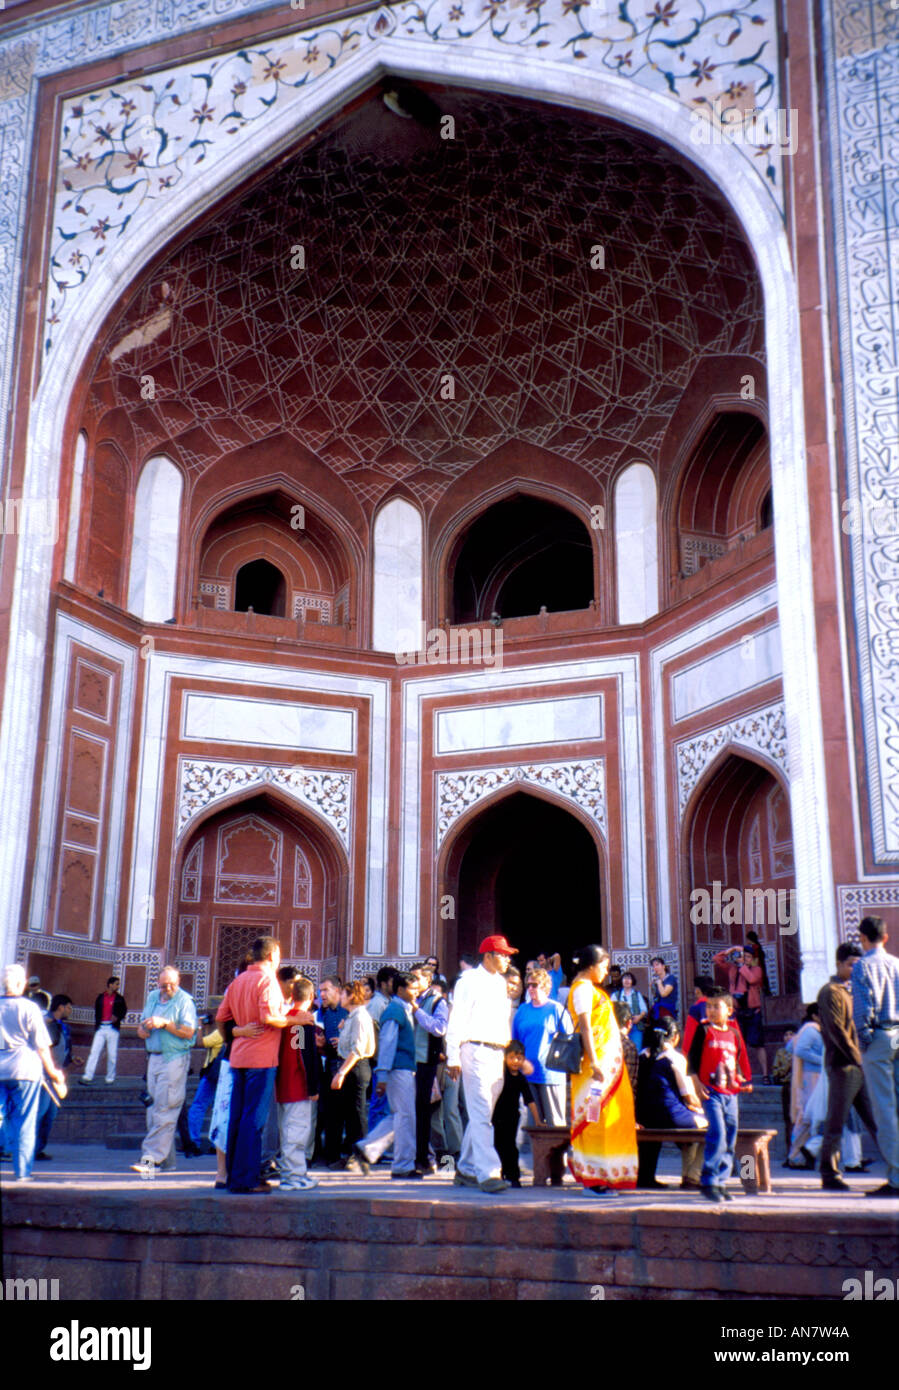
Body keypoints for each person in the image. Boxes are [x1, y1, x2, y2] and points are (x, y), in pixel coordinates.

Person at [216, 936, 290, 1195]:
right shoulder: (267, 980)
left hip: (239, 1057)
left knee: (237, 1116)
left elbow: (221, 1017)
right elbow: (269, 1017)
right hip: (263, 1059)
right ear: (271, 956)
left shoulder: (238, 981)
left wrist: (236, 1033)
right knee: (254, 1119)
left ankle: (235, 1176)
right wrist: (293, 1020)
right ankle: (248, 1178)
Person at [445, 933, 517, 1194]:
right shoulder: (468, 981)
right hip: (474, 1049)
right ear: (489, 956)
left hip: (496, 1052)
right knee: (481, 1112)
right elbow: (457, 1019)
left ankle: (465, 1169)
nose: (508, 959)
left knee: (482, 1115)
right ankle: (488, 1173)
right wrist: (453, 1056)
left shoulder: (500, 983)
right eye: (504, 955)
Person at [566, 944, 638, 1195]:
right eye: (604, 967)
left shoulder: (591, 989)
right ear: (591, 966)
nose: (606, 972)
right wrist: (595, 1062)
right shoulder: (583, 990)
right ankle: (593, 1178)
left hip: (607, 1069)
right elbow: (585, 1027)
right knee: (594, 1118)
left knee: (606, 1117)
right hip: (594, 1070)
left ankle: (606, 1174)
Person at [817, 943, 878, 1191]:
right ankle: (829, 1175)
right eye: (851, 964)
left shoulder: (850, 992)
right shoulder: (830, 992)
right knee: (836, 1122)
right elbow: (836, 1032)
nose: (855, 969)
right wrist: (858, 1058)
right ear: (839, 964)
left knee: (876, 1120)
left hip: (858, 1066)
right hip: (844, 1066)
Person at [0, 964, 66, 1181]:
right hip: (25, 1070)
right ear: (21, 984)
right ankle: (22, 1172)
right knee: (25, 1122)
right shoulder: (30, 1009)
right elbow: (41, 1046)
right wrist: (54, 1073)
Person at [130, 966, 198, 1175]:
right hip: (155, 1057)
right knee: (154, 1109)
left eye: (172, 985)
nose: (167, 988)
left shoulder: (185, 1001)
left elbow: (189, 1032)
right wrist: (144, 1029)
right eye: (163, 985)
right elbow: (141, 1028)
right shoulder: (153, 997)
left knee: (166, 1108)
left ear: (178, 983)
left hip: (174, 1058)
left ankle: (150, 1162)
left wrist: (165, 1023)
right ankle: (166, 1163)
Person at [688, 991, 752, 1202]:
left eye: (717, 1007)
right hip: (711, 1092)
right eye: (709, 1007)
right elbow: (692, 1060)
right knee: (718, 1132)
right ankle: (709, 1180)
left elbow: (738, 1060)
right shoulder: (704, 1030)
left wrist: (742, 1080)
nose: (712, 1011)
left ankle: (722, 1181)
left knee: (731, 1135)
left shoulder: (733, 1034)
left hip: (730, 1093)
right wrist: (697, 1084)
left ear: (729, 1011)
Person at [851, 915, 899, 1197]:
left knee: (885, 1111)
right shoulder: (896, 964)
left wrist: (865, 1040)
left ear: (863, 938)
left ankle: (895, 1178)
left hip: (879, 1038)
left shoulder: (863, 967)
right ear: (886, 937)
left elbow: (862, 1009)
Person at [357, 971, 421, 1179]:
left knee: (397, 1115)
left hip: (400, 1069)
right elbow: (387, 1044)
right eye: (413, 988)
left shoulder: (402, 1009)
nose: (416, 991)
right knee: (405, 1117)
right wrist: (382, 1075)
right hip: (398, 1069)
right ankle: (403, 1165)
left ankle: (367, 1147)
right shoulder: (394, 1010)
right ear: (400, 990)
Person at [636, 1016, 707, 1190]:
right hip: (669, 1114)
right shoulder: (675, 1058)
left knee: (690, 1126)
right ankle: (692, 1176)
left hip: (644, 1115)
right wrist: (699, 1109)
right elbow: (689, 1095)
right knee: (711, 1127)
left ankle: (646, 1177)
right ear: (675, 1037)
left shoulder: (642, 1054)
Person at [276, 975, 320, 1192]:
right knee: (297, 1132)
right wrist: (313, 1086)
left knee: (286, 1132)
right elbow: (302, 1054)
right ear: (311, 996)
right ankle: (293, 1176)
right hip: (297, 1084)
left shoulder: (286, 1018)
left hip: (282, 1084)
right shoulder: (302, 1021)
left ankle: (291, 1173)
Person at [513, 967, 568, 1125]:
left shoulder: (556, 1009)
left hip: (551, 1074)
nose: (530, 989)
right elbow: (515, 1041)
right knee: (533, 1126)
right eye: (528, 985)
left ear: (544, 986)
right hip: (527, 1074)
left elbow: (570, 1039)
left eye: (534, 985)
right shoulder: (522, 1010)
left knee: (555, 1124)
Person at [330, 980, 376, 1169]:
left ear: (351, 996)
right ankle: (350, 1154)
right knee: (349, 1114)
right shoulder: (350, 1017)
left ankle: (360, 1157)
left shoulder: (359, 1016)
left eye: (343, 994)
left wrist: (341, 1072)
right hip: (348, 1066)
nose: (340, 997)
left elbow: (358, 1049)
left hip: (355, 1067)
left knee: (357, 1114)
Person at [410, 969, 449, 1173]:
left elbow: (440, 1028)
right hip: (412, 1064)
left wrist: (417, 1010)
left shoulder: (435, 1002)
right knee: (418, 1112)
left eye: (417, 978)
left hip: (431, 1063)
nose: (413, 983)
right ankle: (422, 1158)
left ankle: (443, 1161)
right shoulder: (408, 1001)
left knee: (439, 1115)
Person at [714, 945, 767, 1080]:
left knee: (758, 1044)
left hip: (753, 1011)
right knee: (737, 1044)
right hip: (738, 1011)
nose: (745, 959)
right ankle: (738, 1074)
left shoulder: (757, 970)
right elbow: (717, 959)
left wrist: (743, 966)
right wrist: (730, 950)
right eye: (743, 956)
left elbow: (752, 980)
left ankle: (765, 1074)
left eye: (748, 957)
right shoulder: (733, 969)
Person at [35, 994, 77, 1160]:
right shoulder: (49, 1024)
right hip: (46, 1076)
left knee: (49, 1115)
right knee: (40, 1113)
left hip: (55, 1075)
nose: (70, 1011)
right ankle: (27, 1148)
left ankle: (37, 1149)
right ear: (61, 1007)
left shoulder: (61, 1027)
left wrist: (71, 1059)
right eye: (69, 1007)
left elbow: (61, 1048)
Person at [492, 1041, 539, 1187]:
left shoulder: (520, 1078)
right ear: (505, 1058)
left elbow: (529, 1099)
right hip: (497, 1116)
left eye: (519, 1058)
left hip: (512, 1116)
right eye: (512, 1058)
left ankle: (513, 1176)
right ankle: (497, 1173)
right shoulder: (501, 1074)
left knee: (511, 1146)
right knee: (497, 1144)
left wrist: (537, 1120)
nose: (515, 1061)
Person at [316, 976, 348, 1166]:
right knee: (325, 1114)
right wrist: (317, 1045)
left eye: (326, 990)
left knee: (338, 1113)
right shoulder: (315, 1014)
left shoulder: (347, 1012)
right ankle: (322, 1153)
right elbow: (299, 1045)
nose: (322, 995)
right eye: (320, 991)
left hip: (343, 1067)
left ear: (337, 990)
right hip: (325, 1067)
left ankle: (336, 1154)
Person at [786, 1003, 822, 1168]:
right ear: (815, 1016)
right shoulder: (812, 1031)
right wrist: (823, 1061)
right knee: (806, 1116)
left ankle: (798, 1155)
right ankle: (796, 1156)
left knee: (808, 1117)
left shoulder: (809, 1030)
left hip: (812, 1076)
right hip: (811, 1077)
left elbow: (790, 1046)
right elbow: (799, 1050)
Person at [80, 975, 127, 1085]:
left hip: (112, 1028)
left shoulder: (120, 999)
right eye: (116, 984)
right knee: (94, 1052)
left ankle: (110, 1077)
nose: (117, 986)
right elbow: (97, 1012)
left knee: (112, 1054)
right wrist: (97, 1027)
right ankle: (88, 1075)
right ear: (110, 984)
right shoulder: (101, 997)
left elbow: (124, 1011)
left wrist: (117, 1017)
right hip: (101, 1028)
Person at [187, 1011, 224, 1151]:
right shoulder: (226, 1032)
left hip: (212, 1076)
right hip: (221, 1075)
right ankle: (217, 1144)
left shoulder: (220, 1033)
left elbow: (200, 1042)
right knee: (219, 1110)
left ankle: (193, 1141)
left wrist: (200, 1027)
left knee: (198, 1106)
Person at [771, 1026, 796, 1154]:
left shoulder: (800, 1050)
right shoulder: (781, 1053)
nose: (788, 1037)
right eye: (786, 1035)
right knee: (789, 1120)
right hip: (787, 1086)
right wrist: (787, 1065)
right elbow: (776, 1073)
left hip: (801, 1087)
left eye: (791, 1034)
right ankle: (790, 1151)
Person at [612, 971, 648, 1052]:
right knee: (620, 1049)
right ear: (621, 981)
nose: (627, 981)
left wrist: (639, 1017)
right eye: (625, 978)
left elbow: (644, 1009)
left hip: (635, 1026)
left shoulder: (637, 994)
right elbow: (611, 1010)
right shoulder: (616, 995)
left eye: (629, 978)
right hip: (620, 1026)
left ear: (632, 981)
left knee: (636, 1049)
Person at [612, 1001, 640, 1099]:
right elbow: (630, 1082)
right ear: (629, 1023)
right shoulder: (629, 1047)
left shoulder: (600, 1043)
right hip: (621, 1102)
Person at [681, 976, 715, 1055]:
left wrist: (685, 1053)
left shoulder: (695, 1009)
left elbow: (689, 1036)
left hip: (701, 1052)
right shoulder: (723, 1008)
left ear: (698, 991)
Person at [650, 956, 678, 1023]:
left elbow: (664, 994)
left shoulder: (670, 978)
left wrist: (659, 983)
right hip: (659, 1010)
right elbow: (656, 997)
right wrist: (652, 988)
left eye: (657, 965)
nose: (655, 967)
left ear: (663, 966)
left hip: (668, 1011)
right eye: (653, 966)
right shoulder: (658, 981)